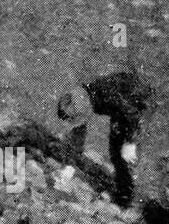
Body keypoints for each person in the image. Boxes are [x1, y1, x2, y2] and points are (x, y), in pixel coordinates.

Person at [57, 69, 151, 206]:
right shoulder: (79, 99)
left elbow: (135, 115)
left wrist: (131, 142)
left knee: (125, 154)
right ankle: (122, 192)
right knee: (115, 150)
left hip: (140, 104)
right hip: (120, 110)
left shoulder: (109, 94)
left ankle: (127, 200)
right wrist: (70, 165)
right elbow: (78, 134)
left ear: (85, 111)